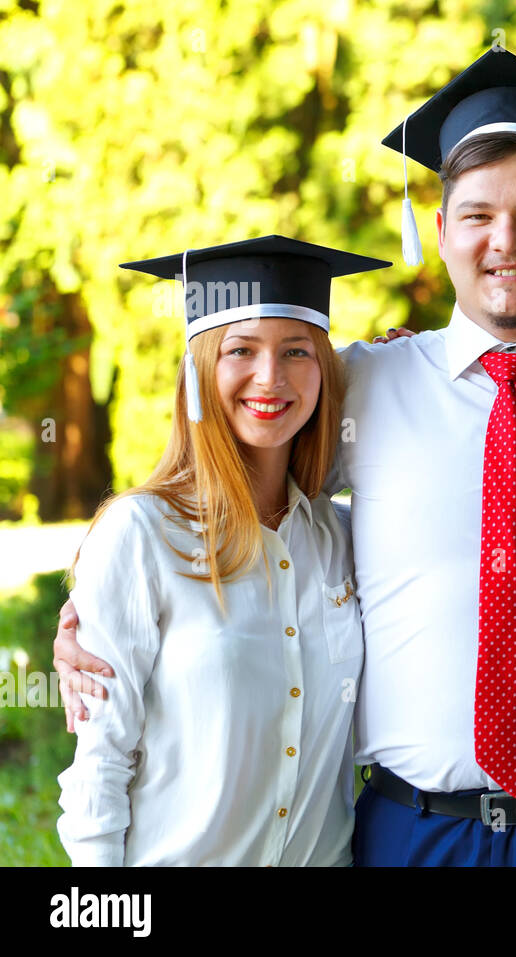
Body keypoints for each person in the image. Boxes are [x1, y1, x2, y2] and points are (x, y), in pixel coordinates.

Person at [56, 49, 516, 866]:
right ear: (440, 232)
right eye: (478, 216)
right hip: (415, 834)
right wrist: (98, 601)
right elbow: (223, 469)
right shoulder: (360, 386)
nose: (507, 242)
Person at [55, 236, 389, 865]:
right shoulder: (141, 534)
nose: (271, 377)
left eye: (297, 351)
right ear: (199, 371)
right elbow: (100, 768)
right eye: (241, 350)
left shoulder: (344, 540)